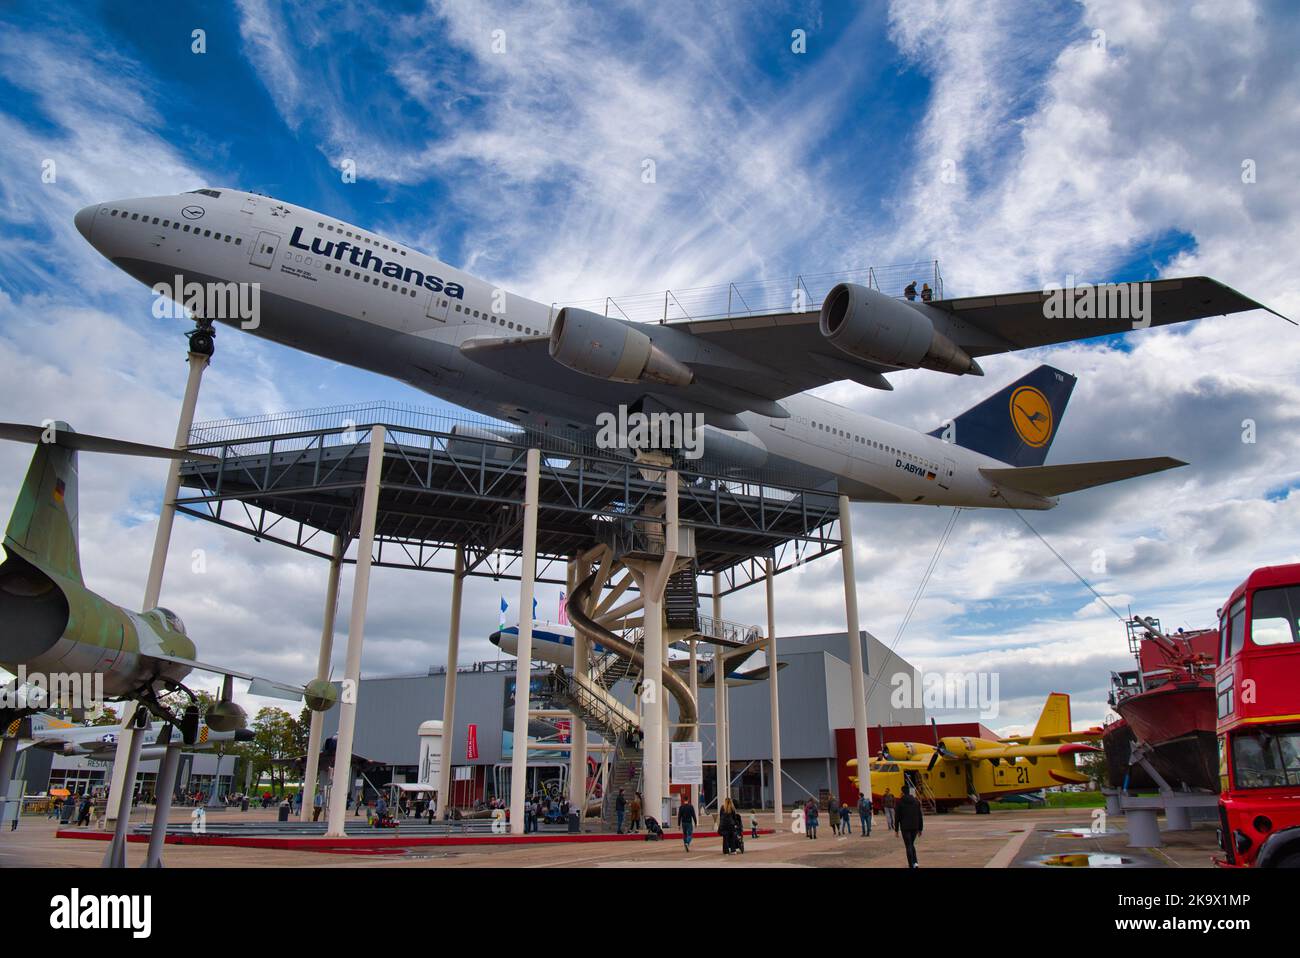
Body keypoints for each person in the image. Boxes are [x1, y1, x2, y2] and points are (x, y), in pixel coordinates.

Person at [895, 785, 924, 868]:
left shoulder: (899, 802)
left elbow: (897, 817)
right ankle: (915, 863)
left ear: (902, 792)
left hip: (905, 827)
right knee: (911, 844)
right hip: (915, 827)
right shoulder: (916, 801)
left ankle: (911, 864)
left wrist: (896, 829)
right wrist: (920, 828)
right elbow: (920, 815)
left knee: (908, 845)